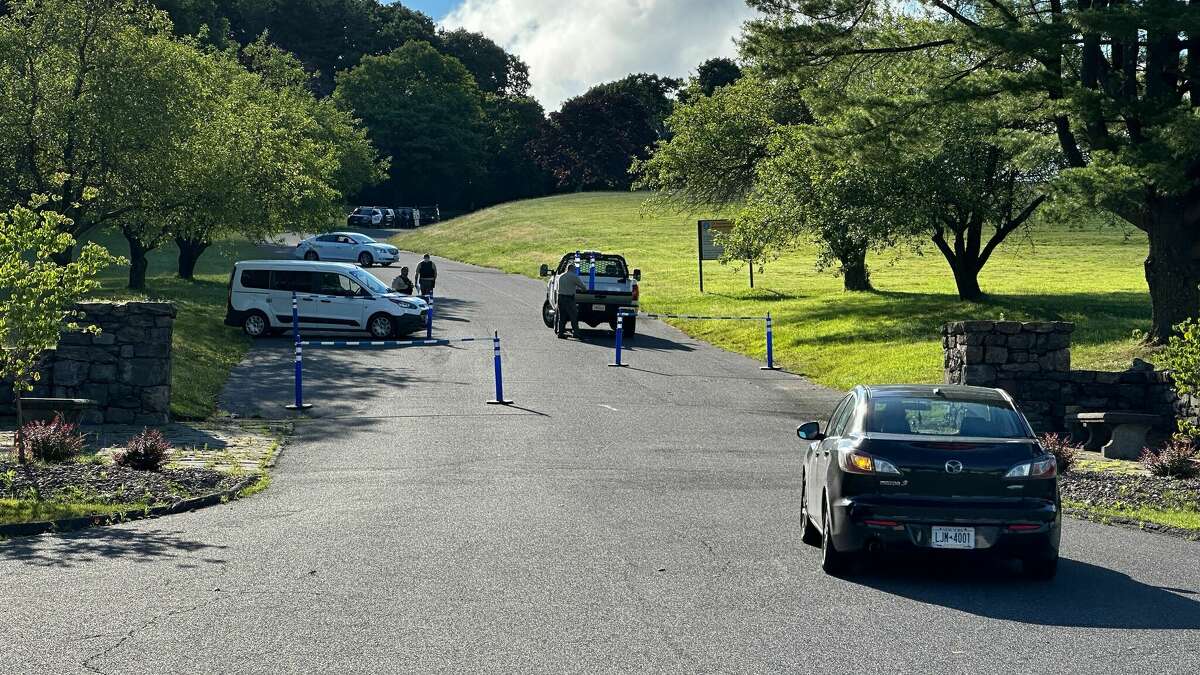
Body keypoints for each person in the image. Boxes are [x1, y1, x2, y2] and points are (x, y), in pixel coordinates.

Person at [554, 263, 588, 338]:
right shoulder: (574, 276)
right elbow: (583, 287)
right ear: (572, 269)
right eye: (575, 269)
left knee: (562, 316)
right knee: (573, 316)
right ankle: (576, 333)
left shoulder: (561, 276)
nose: (576, 271)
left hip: (560, 298)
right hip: (569, 299)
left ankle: (560, 333)